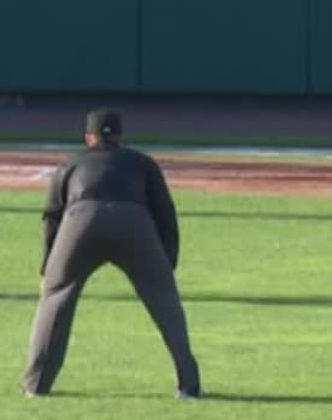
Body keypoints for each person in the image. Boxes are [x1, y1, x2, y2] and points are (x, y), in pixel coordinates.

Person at [22, 110, 202, 399]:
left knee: (55, 300)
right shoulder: (142, 162)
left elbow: (52, 216)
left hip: (80, 222)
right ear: (120, 137)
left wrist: (48, 268)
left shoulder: (71, 162)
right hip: (134, 223)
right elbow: (165, 214)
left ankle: (36, 385)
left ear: (88, 138)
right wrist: (166, 264)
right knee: (165, 302)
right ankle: (189, 386)